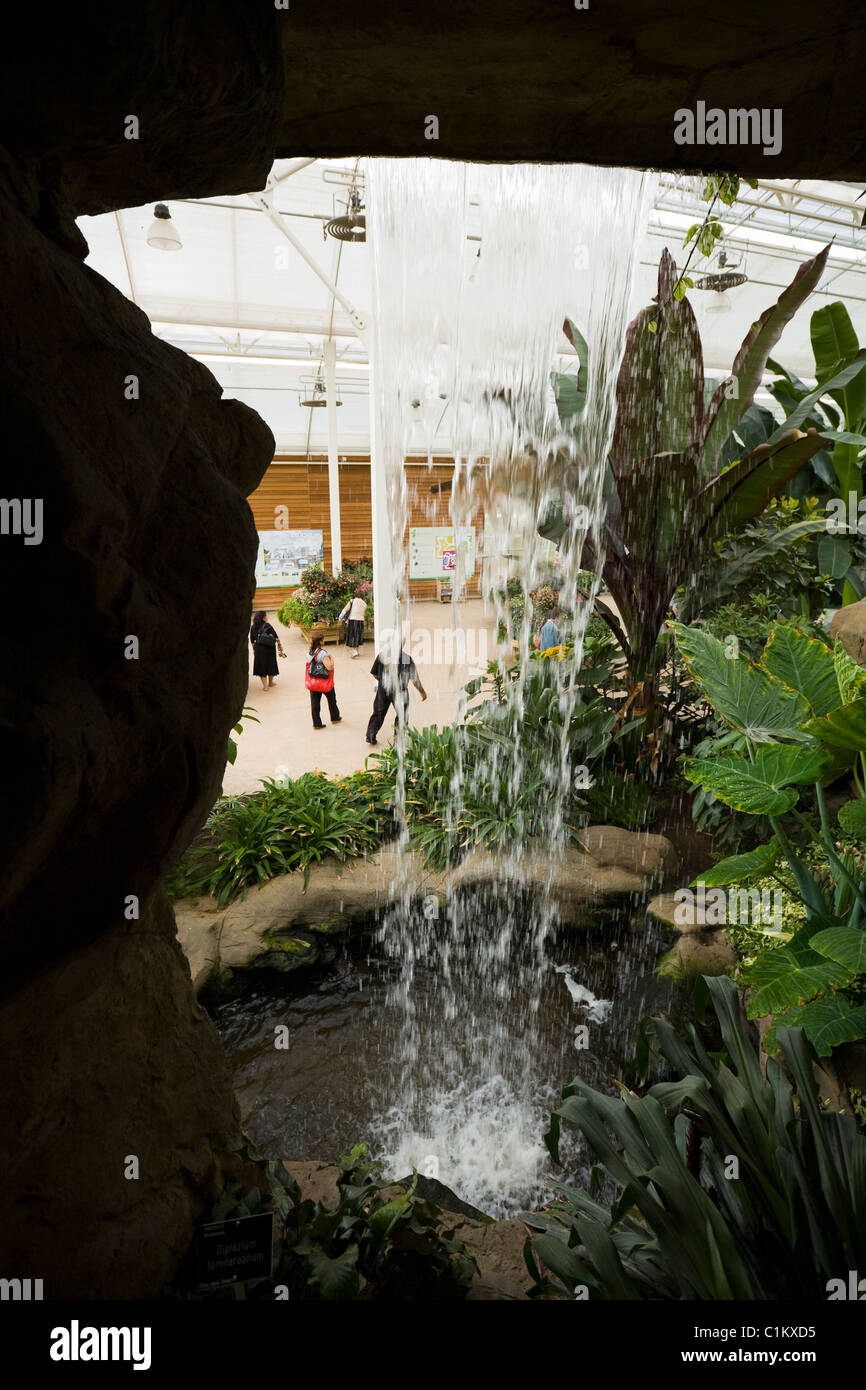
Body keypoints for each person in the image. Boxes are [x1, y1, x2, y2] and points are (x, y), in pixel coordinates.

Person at [366, 645, 427, 745]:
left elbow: (374, 674)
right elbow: (415, 680)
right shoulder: (406, 659)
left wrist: (382, 682)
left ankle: (370, 736)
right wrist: (422, 692)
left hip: (384, 689)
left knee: (378, 712)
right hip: (400, 692)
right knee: (402, 716)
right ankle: (398, 741)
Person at [306, 631, 341, 730]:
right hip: (324, 683)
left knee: (315, 703)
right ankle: (335, 717)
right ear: (320, 641)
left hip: (313, 682)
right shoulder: (322, 653)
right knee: (332, 700)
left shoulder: (309, 653)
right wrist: (331, 658)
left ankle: (317, 724)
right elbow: (329, 667)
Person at [250, 610, 286, 691]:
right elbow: (276, 637)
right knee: (271, 665)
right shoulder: (268, 625)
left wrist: (254, 650)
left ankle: (265, 686)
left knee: (261, 666)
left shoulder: (253, 627)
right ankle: (270, 683)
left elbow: (252, 640)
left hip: (259, 649)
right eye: (266, 616)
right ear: (263, 617)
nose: (267, 617)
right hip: (269, 648)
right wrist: (280, 646)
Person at [339, 588, 368, 658]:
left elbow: (345, 609)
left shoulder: (352, 601)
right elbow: (363, 614)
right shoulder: (364, 604)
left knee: (353, 636)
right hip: (360, 621)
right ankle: (356, 651)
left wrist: (340, 617)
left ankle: (355, 652)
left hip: (353, 620)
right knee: (357, 636)